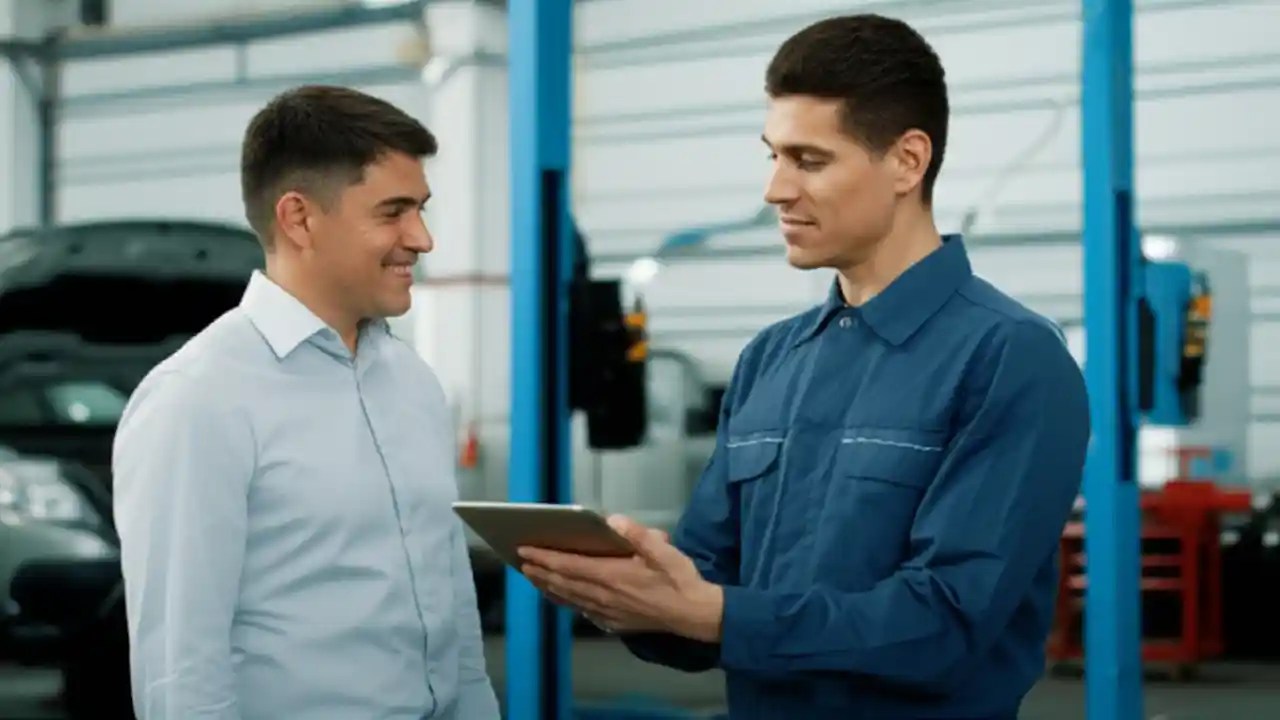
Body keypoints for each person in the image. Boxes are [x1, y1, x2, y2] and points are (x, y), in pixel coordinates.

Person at [516, 14, 1090, 719]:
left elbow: (947, 622)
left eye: (809, 160)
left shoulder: (1010, 357)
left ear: (908, 161)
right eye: (773, 156)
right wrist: (635, 597)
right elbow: (710, 586)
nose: (775, 190)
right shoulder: (770, 360)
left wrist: (715, 615)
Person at [111, 85, 499, 720]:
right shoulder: (198, 400)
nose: (422, 238)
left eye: (421, 209)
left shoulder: (413, 383)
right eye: (393, 211)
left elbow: (451, 604)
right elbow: (181, 672)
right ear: (299, 218)